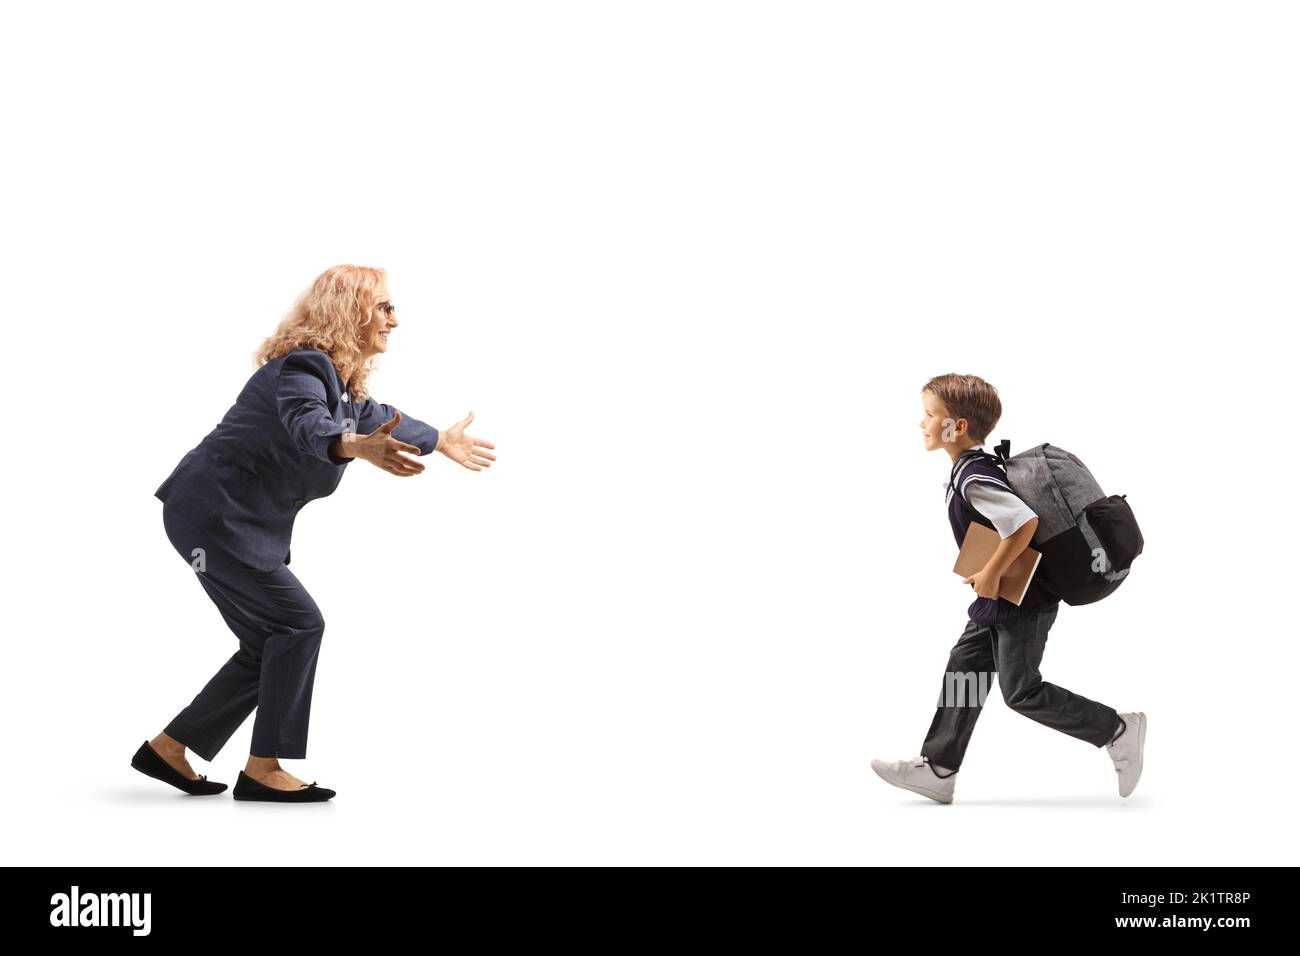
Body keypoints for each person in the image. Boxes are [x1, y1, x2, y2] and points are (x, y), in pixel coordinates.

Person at [131, 264, 496, 802]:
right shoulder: (302, 370)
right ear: (350, 312)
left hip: (237, 526)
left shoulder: (341, 389)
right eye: (384, 307)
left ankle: (168, 749)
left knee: (268, 643)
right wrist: (354, 445)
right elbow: (311, 425)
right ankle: (264, 768)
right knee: (298, 625)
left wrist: (440, 439)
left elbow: (377, 415)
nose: (395, 319)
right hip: (210, 520)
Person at [869, 373, 1145, 804]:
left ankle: (1117, 729)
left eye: (929, 414)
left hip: (1023, 604)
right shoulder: (971, 470)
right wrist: (989, 580)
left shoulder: (974, 475)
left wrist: (993, 573)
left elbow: (1022, 522)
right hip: (997, 601)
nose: (921, 422)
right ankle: (940, 769)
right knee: (965, 670)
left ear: (957, 427)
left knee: (1022, 691)